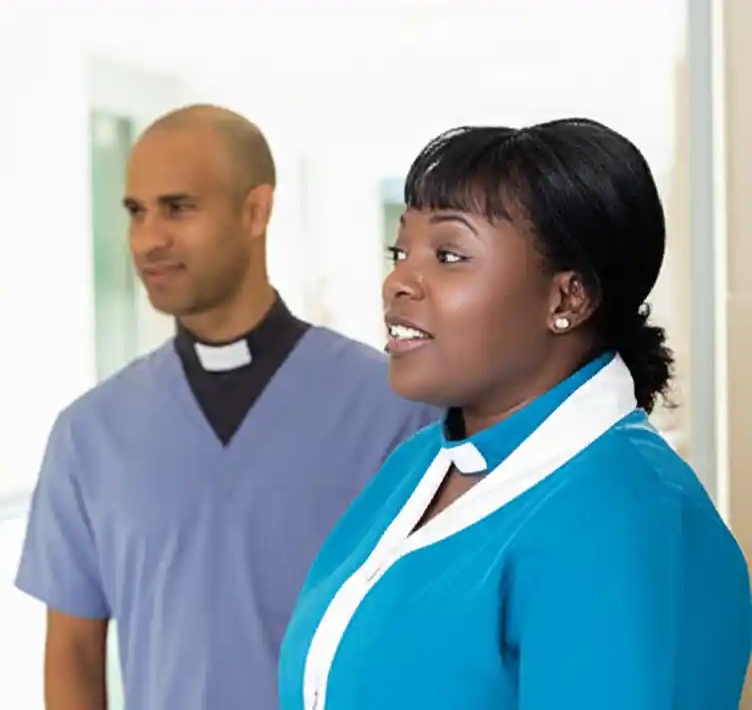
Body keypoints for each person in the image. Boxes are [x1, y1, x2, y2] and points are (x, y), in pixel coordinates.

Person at [279, 118, 752, 710]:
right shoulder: (416, 466)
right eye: (401, 251)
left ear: (567, 298)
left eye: (449, 255)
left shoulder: (629, 517)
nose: (399, 280)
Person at [15, 104, 439, 709]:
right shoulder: (90, 434)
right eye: (136, 212)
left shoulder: (393, 411)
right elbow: (74, 654)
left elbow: (432, 637)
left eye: (178, 207)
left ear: (256, 210)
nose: (149, 239)